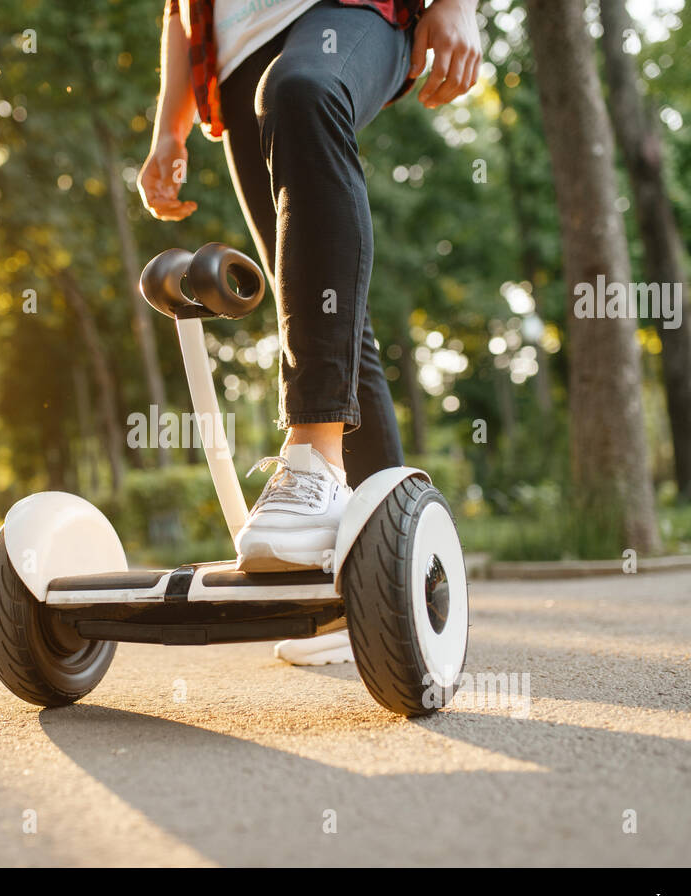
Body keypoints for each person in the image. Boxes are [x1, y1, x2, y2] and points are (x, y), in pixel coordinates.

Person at [139, 0, 480, 663]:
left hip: (349, 12)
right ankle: (381, 592)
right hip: (237, 59)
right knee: (329, 312)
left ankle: (314, 459)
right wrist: (168, 131)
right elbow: (179, 13)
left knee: (303, 88)